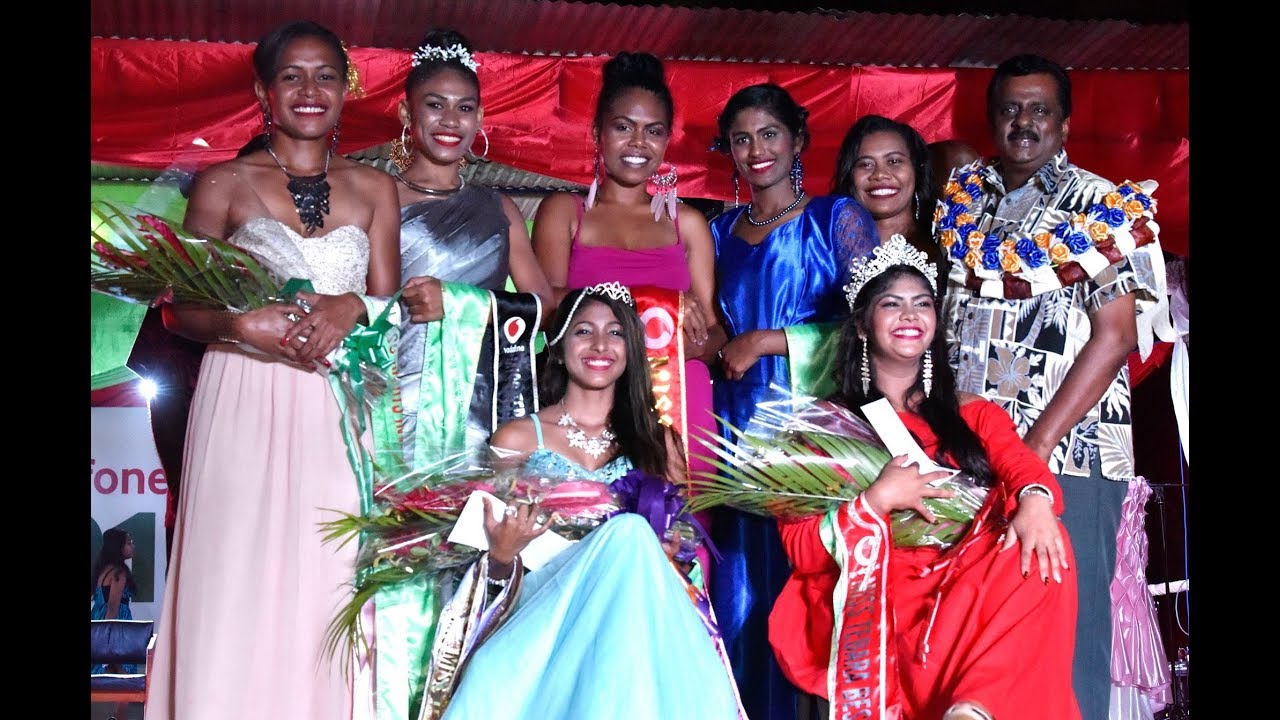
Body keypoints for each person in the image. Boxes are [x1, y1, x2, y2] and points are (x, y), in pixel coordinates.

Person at [146, 19, 401, 720]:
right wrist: (239, 325)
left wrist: (354, 304)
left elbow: (393, 309)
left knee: (331, 574)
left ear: (345, 90)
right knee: (234, 569)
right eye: (292, 76)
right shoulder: (223, 183)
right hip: (242, 393)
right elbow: (180, 311)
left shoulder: (375, 189)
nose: (309, 90)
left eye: (326, 76)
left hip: (338, 403)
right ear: (264, 92)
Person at [937, 54, 1170, 720]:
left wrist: (1033, 449)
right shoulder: (965, 199)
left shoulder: (1102, 205)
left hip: (1068, 454)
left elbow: (1115, 337)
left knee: (1068, 633)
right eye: (1011, 109)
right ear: (992, 118)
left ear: (1064, 123)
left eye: (1040, 110)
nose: (1024, 122)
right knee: (982, 635)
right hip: (971, 455)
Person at [770, 237, 1079, 720]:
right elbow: (801, 549)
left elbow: (1021, 465)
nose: (909, 315)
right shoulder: (824, 427)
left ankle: (975, 707)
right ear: (863, 325)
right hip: (884, 589)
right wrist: (875, 501)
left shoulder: (972, 413)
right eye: (891, 304)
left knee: (1044, 544)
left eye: (922, 304)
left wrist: (1037, 498)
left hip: (969, 574)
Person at [427, 284, 744, 720]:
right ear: (558, 348)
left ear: (631, 351)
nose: (600, 345)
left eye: (616, 333)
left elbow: (681, 550)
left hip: (633, 617)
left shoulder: (661, 443)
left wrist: (671, 552)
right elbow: (487, 552)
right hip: (548, 608)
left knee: (632, 539)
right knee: (630, 533)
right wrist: (501, 555)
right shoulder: (517, 439)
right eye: (583, 332)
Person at [706, 83, 879, 720]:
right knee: (738, 597)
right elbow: (712, 334)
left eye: (769, 134)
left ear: (798, 140)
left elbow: (875, 325)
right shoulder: (716, 231)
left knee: (805, 599)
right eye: (742, 139)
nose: (756, 150)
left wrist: (769, 340)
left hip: (812, 438)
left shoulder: (838, 219)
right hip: (733, 436)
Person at [529, 50, 723, 569]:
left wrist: (686, 337)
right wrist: (653, 305)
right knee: (590, 540)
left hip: (680, 406)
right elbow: (550, 313)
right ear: (598, 133)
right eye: (623, 127)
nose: (638, 143)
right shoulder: (565, 212)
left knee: (683, 553)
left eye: (653, 131)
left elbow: (714, 335)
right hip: (596, 405)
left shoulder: (687, 224)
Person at [391, 27, 553, 467]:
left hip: (484, 396)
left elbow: (546, 306)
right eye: (434, 105)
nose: (450, 120)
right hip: (398, 392)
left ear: (479, 118)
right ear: (406, 112)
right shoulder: (378, 197)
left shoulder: (500, 208)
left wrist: (465, 303)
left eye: (464, 108)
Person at [832, 114, 947, 270]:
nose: (880, 174)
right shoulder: (825, 247)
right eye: (866, 164)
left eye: (894, 161)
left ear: (917, 170)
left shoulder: (949, 242)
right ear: (849, 175)